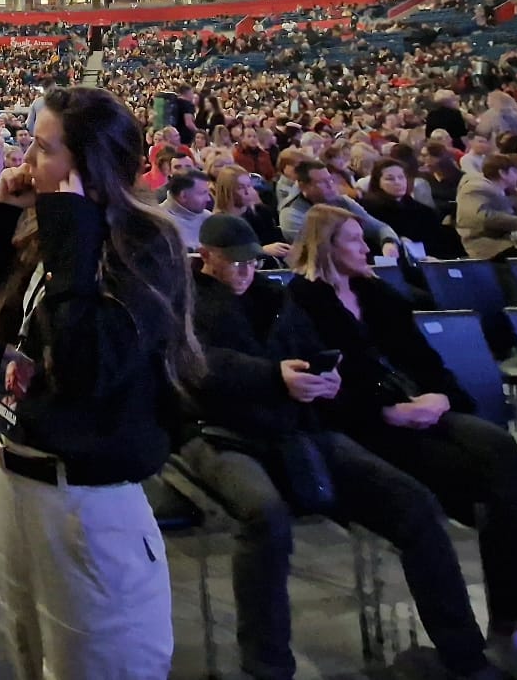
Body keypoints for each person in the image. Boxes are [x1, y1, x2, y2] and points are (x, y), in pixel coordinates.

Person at [283, 205, 517, 680]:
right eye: (353, 240)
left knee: (497, 446)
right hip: (365, 427)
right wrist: (388, 411)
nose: (365, 247)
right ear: (326, 246)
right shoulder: (302, 302)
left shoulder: (376, 293)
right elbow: (325, 389)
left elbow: (425, 358)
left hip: (422, 409)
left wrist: (440, 398)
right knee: (499, 493)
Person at [177, 215, 498, 680]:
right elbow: (198, 367)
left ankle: (464, 654)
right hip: (220, 432)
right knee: (265, 517)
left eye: (251, 264)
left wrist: (327, 380)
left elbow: (315, 350)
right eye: (234, 264)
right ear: (207, 257)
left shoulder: (275, 298)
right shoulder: (184, 302)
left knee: (415, 505)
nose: (245, 273)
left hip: (297, 428)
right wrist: (274, 377)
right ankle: (267, 666)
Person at [0, 86, 200, 680]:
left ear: (86, 164)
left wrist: (70, 235)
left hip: (85, 499)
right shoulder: (57, 230)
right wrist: (1, 219)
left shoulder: (145, 244)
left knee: (100, 662)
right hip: (17, 473)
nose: (24, 163)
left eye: (42, 149)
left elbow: (85, 366)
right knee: (31, 647)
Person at [280, 163, 397, 252]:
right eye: (322, 182)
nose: (330, 186)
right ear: (303, 186)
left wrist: (389, 242)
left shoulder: (342, 201)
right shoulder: (291, 214)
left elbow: (379, 227)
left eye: (330, 180)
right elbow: (316, 251)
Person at [455, 154, 517, 261]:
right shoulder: (476, 188)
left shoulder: (511, 191)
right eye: (516, 172)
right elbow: (483, 217)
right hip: (489, 245)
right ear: (503, 173)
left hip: (515, 240)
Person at [359, 159, 459, 258]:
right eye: (390, 179)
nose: (397, 182)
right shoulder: (368, 210)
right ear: (378, 182)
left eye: (401, 177)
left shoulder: (422, 211)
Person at [158, 167, 213, 249]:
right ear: (183, 196)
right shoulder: (158, 222)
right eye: (202, 193)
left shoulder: (208, 218)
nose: (208, 199)